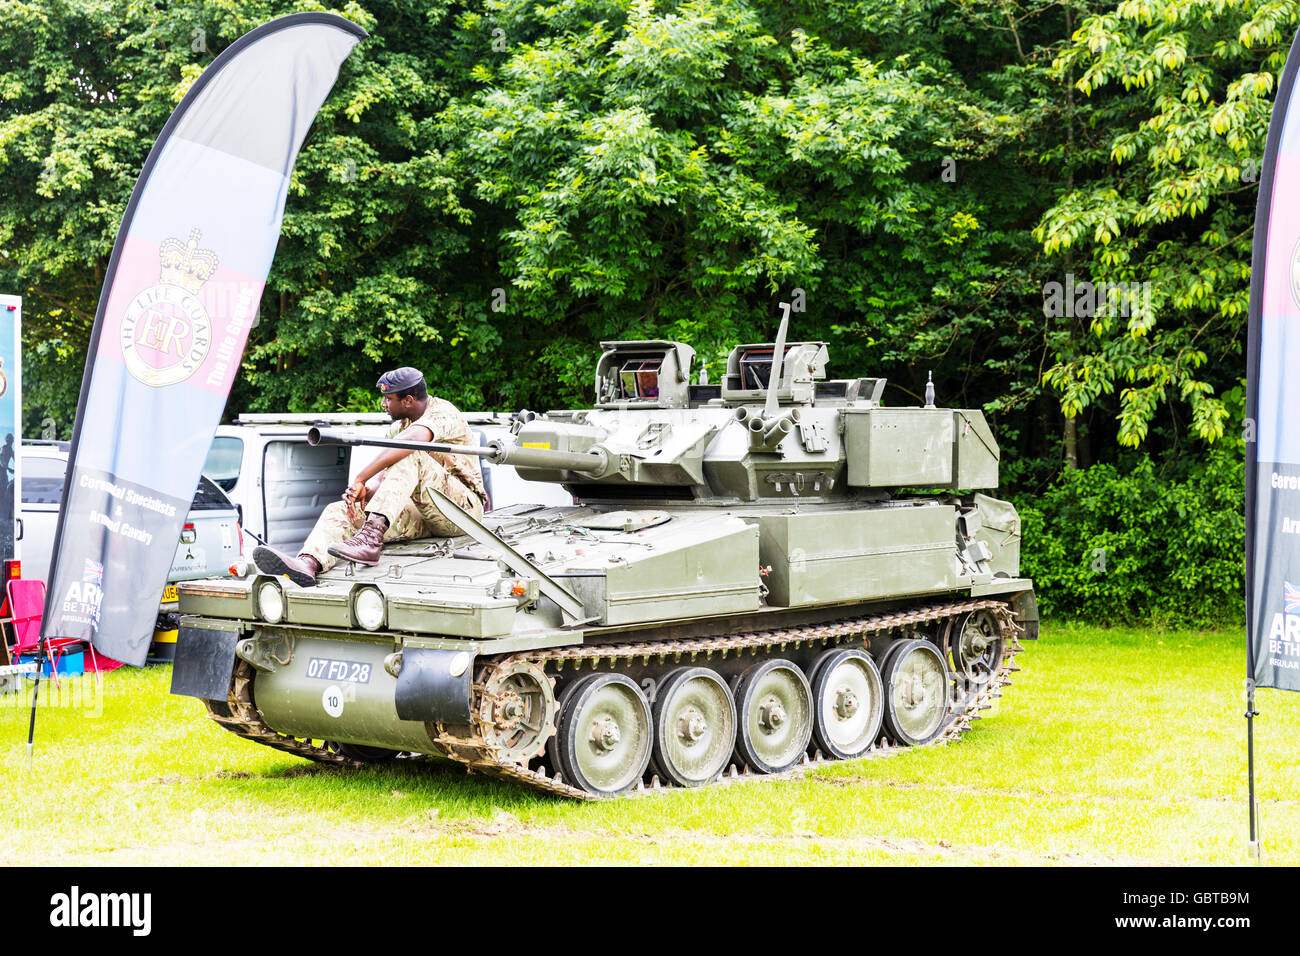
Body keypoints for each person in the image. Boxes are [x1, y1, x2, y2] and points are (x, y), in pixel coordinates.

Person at [252, 367, 487, 587]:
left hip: (462, 511)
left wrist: (362, 476)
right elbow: (391, 477)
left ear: (408, 400)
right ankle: (308, 563)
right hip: (424, 512)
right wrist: (367, 490)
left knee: (411, 452)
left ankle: (370, 539)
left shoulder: (443, 413)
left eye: (388, 399)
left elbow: (411, 445)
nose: (383, 404)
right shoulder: (401, 426)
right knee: (340, 510)